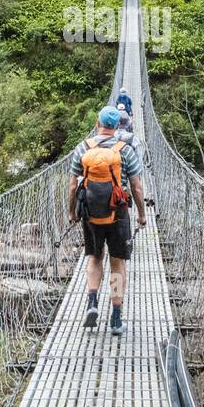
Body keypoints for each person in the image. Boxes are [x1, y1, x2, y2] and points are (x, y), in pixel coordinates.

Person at [67, 105, 147, 335]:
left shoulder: (83, 147)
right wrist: (141, 215)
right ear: (117, 126)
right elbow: (137, 187)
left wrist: (72, 212)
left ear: (97, 122)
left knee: (94, 257)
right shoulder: (127, 150)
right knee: (117, 262)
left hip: (91, 213)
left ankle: (92, 303)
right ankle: (115, 318)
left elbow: (73, 186)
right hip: (119, 212)